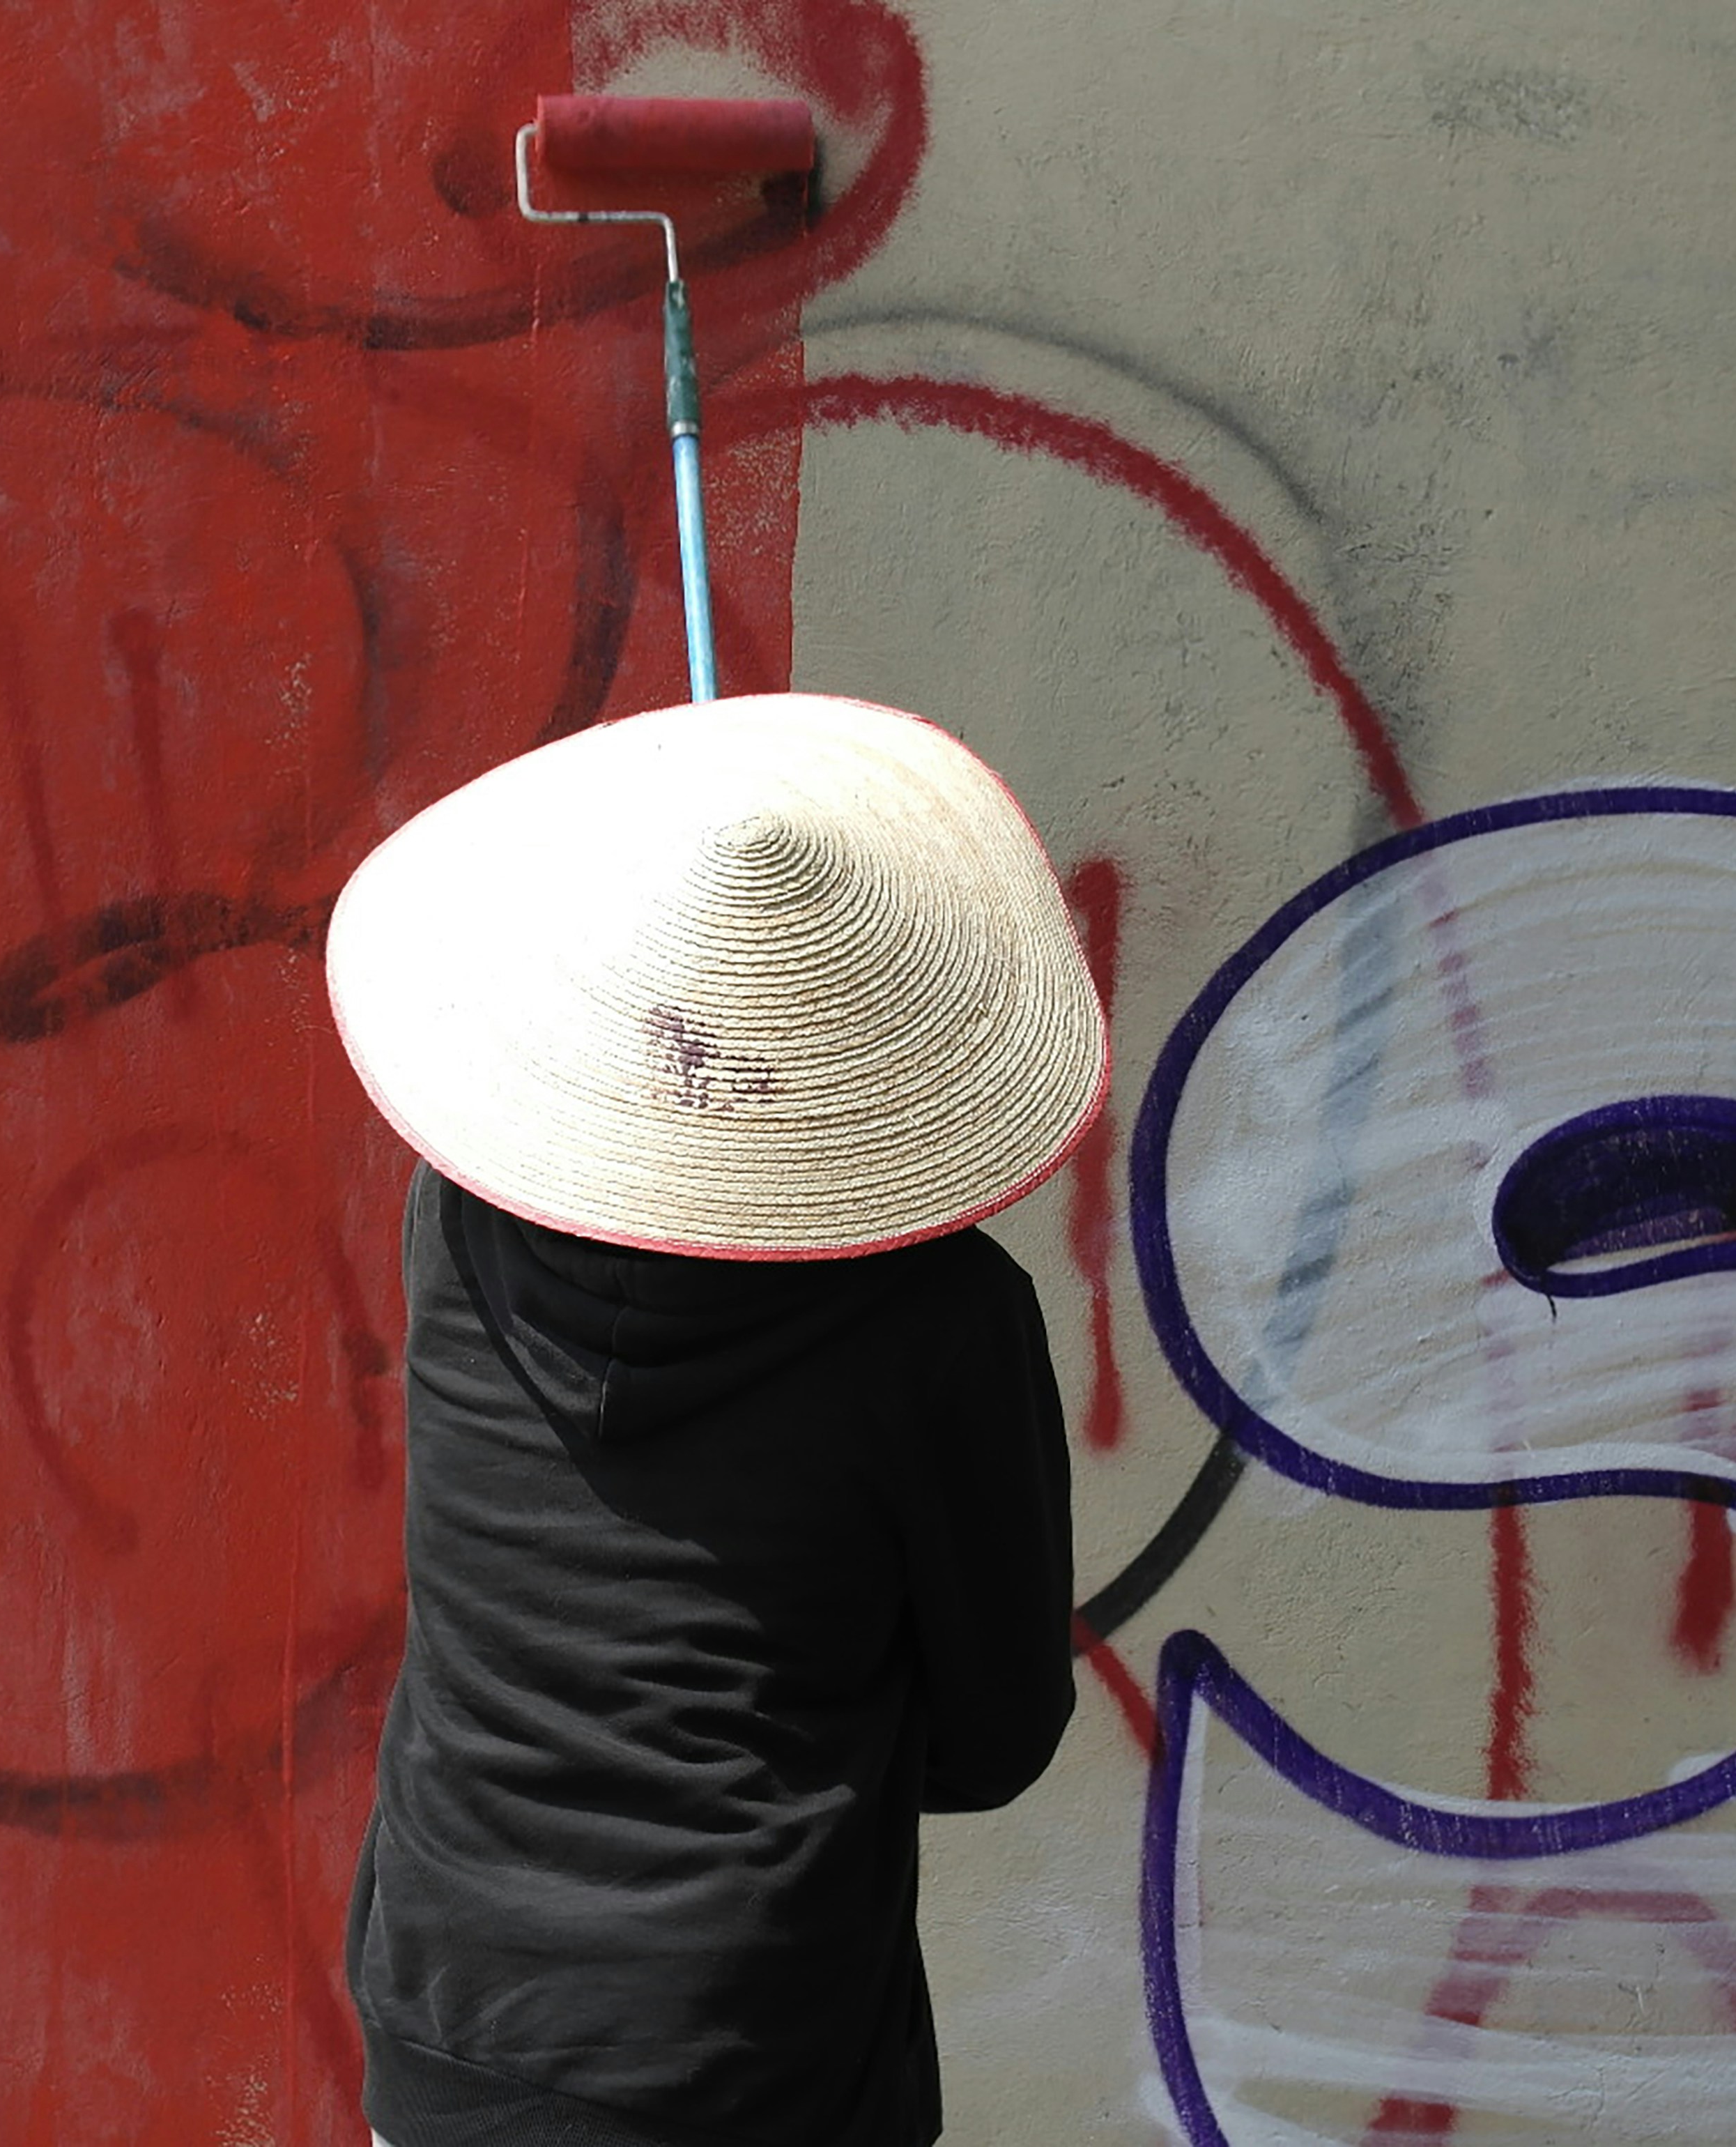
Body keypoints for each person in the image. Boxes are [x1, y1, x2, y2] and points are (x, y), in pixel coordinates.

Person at [322, 692, 1104, 2147]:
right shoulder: (937, 1325)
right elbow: (993, 1740)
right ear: (862, 1028)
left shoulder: (463, 1222)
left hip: (450, 2016)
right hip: (755, 2059)